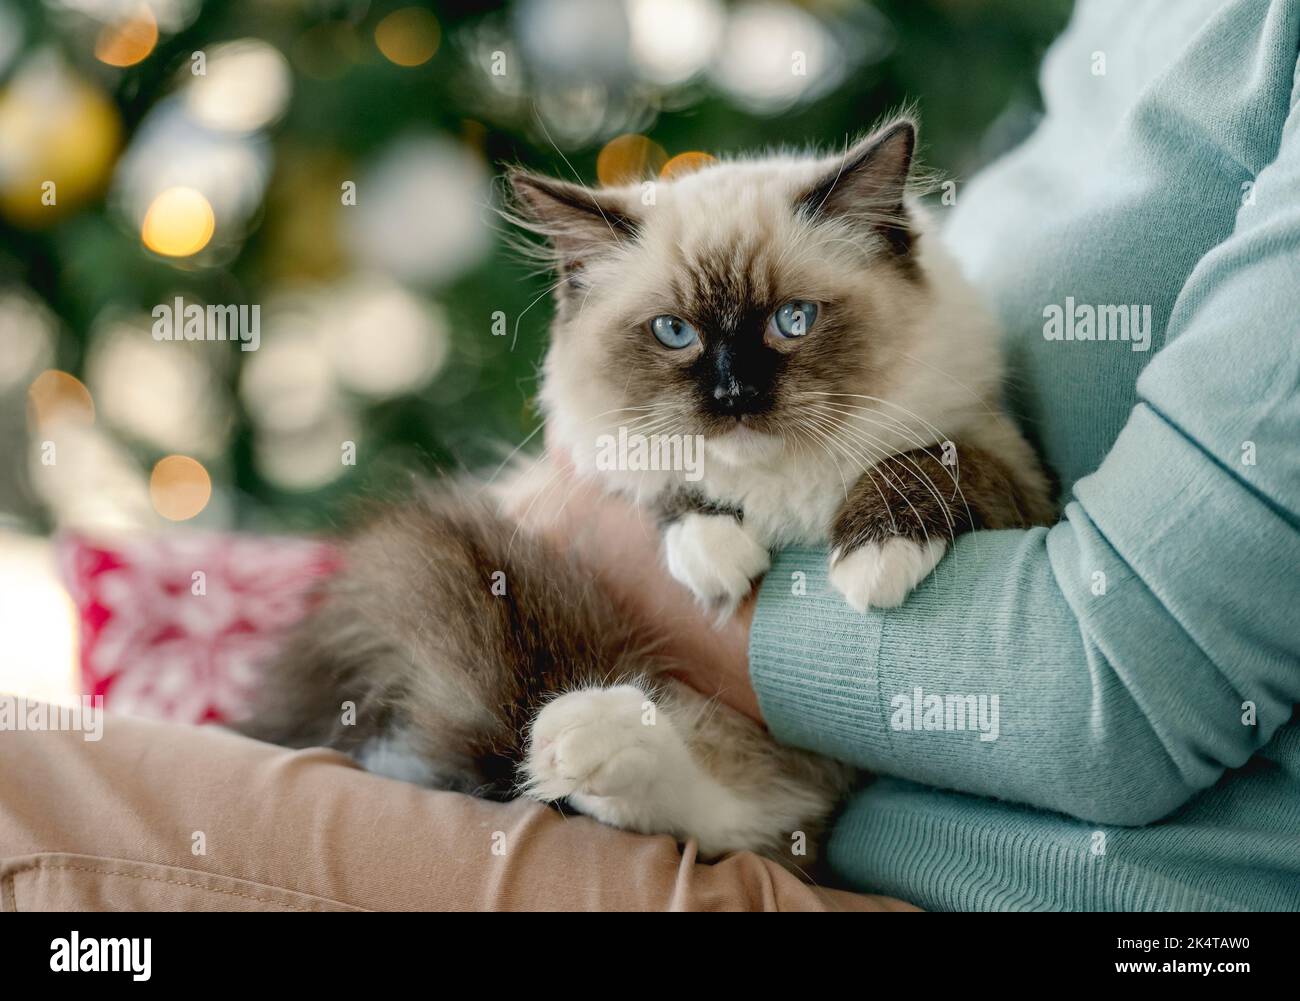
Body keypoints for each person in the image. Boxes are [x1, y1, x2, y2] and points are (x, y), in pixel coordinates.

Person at [2, 0, 1297, 911]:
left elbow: (1122, 694)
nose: (734, 385)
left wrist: (616, 551)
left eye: (788, 328)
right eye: (681, 340)